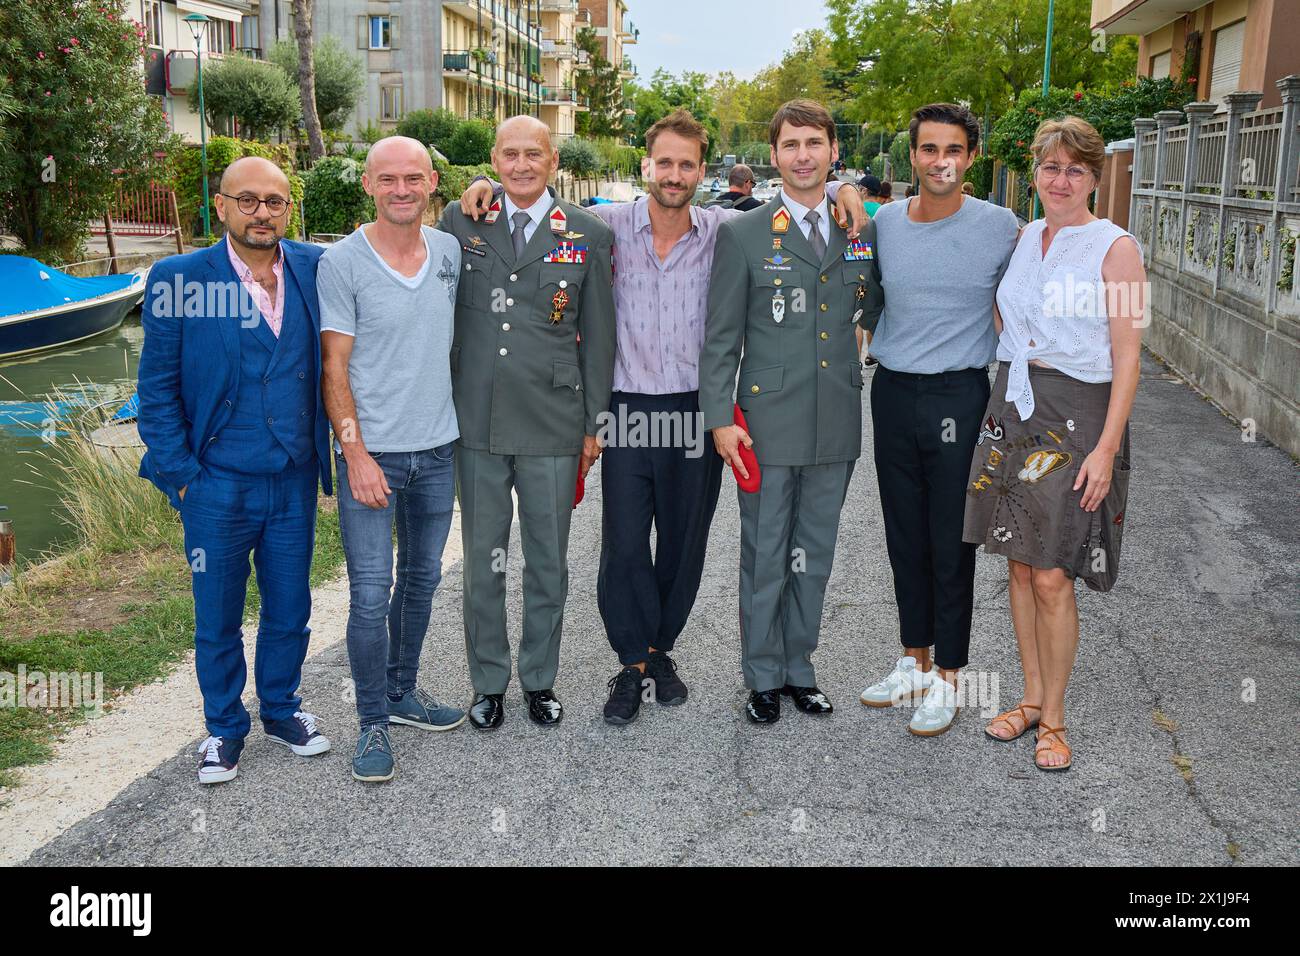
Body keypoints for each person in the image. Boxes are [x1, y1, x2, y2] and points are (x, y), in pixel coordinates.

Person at [458, 113, 865, 726]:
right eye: (663, 163)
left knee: (683, 542)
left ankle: (658, 650)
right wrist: (482, 187)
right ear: (646, 166)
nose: (674, 175)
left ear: (704, 171)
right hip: (625, 409)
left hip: (694, 411)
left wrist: (843, 189)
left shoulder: (727, 230)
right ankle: (630, 662)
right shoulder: (605, 228)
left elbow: (799, 195)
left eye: (687, 164)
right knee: (623, 543)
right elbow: (543, 211)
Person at [137, 157, 333, 784]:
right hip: (216, 482)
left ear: (288, 209)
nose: (262, 213)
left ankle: (281, 708)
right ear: (220, 205)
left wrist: (481, 192)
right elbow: (157, 390)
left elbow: (399, 226)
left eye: (275, 202)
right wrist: (183, 475)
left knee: (289, 604)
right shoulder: (179, 277)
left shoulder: (314, 266)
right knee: (216, 612)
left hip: (293, 477)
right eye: (247, 200)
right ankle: (224, 728)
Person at [966, 116, 1144, 771]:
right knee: (1017, 563)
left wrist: (1106, 448)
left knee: (1051, 574)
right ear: (1035, 172)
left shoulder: (1116, 247)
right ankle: (1031, 699)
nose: (1060, 180)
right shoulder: (1025, 238)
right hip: (1013, 406)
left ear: (1095, 176)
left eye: (1075, 169)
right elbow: (1005, 315)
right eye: (1050, 167)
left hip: (1079, 415)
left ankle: (1057, 721)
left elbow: (1129, 358)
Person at [701, 99, 884, 724]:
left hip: (835, 419)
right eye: (790, 145)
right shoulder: (743, 233)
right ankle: (761, 674)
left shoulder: (859, 228)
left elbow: (877, 304)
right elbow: (721, 336)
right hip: (765, 423)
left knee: (816, 551)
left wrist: (850, 194)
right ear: (773, 155)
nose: (802, 155)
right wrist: (721, 418)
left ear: (834, 151)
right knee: (766, 550)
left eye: (814, 143)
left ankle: (799, 667)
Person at [438, 116, 616, 730]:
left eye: (532, 154)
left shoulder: (587, 232)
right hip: (478, 423)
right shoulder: (460, 222)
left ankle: (540, 679)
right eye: (508, 155)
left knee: (547, 561)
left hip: (552, 423)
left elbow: (600, 338)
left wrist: (595, 427)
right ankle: (488, 681)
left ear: (553, 158)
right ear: (493, 157)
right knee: (483, 559)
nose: (520, 165)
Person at [857, 103, 1019, 737]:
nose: (940, 161)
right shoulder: (886, 224)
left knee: (951, 538)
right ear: (913, 157)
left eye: (952, 150)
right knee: (903, 533)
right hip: (892, 390)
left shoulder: (1001, 225)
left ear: (970, 157)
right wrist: (846, 190)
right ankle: (913, 660)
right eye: (928, 149)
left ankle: (950, 675)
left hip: (959, 394)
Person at [318, 137, 465, 783]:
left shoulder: (451, 251)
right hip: (373, 457)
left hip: (438, 450)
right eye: (388, 179)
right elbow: (334, 367)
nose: (401, 189)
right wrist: (354, 454)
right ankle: (372, 721)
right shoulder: (341, 263)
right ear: (368, 186)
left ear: (432, 182)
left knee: (424, 579)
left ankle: (403, 692)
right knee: (369, 593)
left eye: (413, 178)